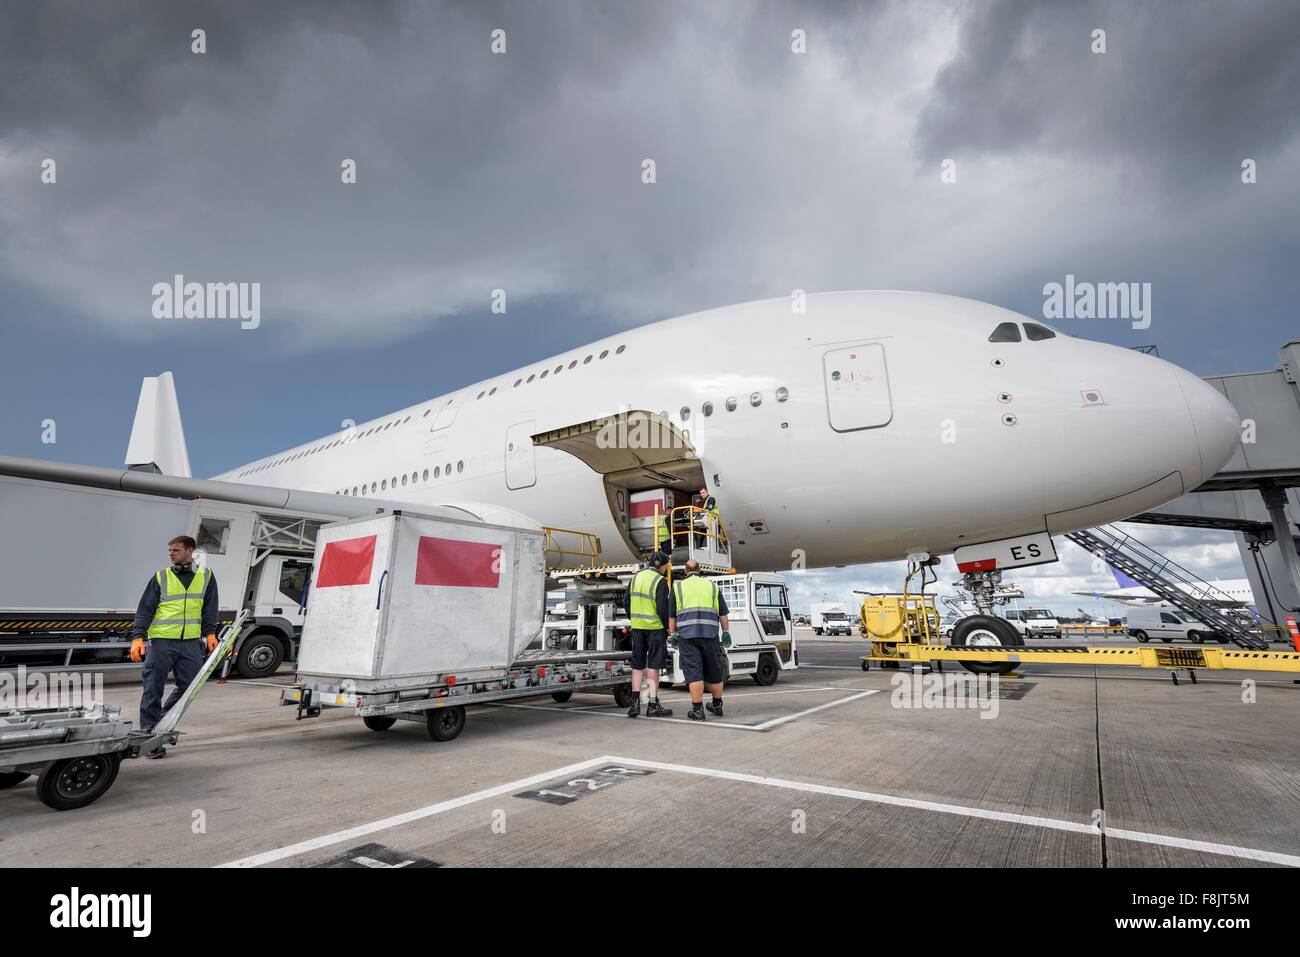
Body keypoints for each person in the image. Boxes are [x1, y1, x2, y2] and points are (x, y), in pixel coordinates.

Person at [131, 535, 220, 753]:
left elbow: (210, 609)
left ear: (190, 551)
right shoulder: (161, 577)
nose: (171, 554)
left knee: (190, 686)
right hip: (161, 642)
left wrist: (210, 634)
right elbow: (145, 610)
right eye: (169, 550)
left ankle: (161, 720)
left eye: (176, 550)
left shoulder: (206, 576)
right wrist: (138, 637)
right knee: (153, 688)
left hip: (190, 643)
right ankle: (150, 735)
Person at [669, 559, 730, 721]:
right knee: (714, 671)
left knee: (694, 673)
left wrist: (673, 635)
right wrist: (726, 632)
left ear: (685, 571)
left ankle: (697, 711)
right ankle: (717, 706)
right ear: (700, 570)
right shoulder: (712, 587)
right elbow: (723, 613)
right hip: (710, 635)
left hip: (688, 636)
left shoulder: (677, 587)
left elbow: (672, 616)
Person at [625, 552, 674, 718]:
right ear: (662, 565)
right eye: (666, 565)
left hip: (637, 628)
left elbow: (626, 602)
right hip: (654, 628)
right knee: (653, 666)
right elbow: (662, 608)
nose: (667, 568)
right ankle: (652, 704)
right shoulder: (660, 581)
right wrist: (668, 627)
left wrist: (635, 618)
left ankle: (635, 703)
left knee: (637, 666)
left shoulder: (636, 578)